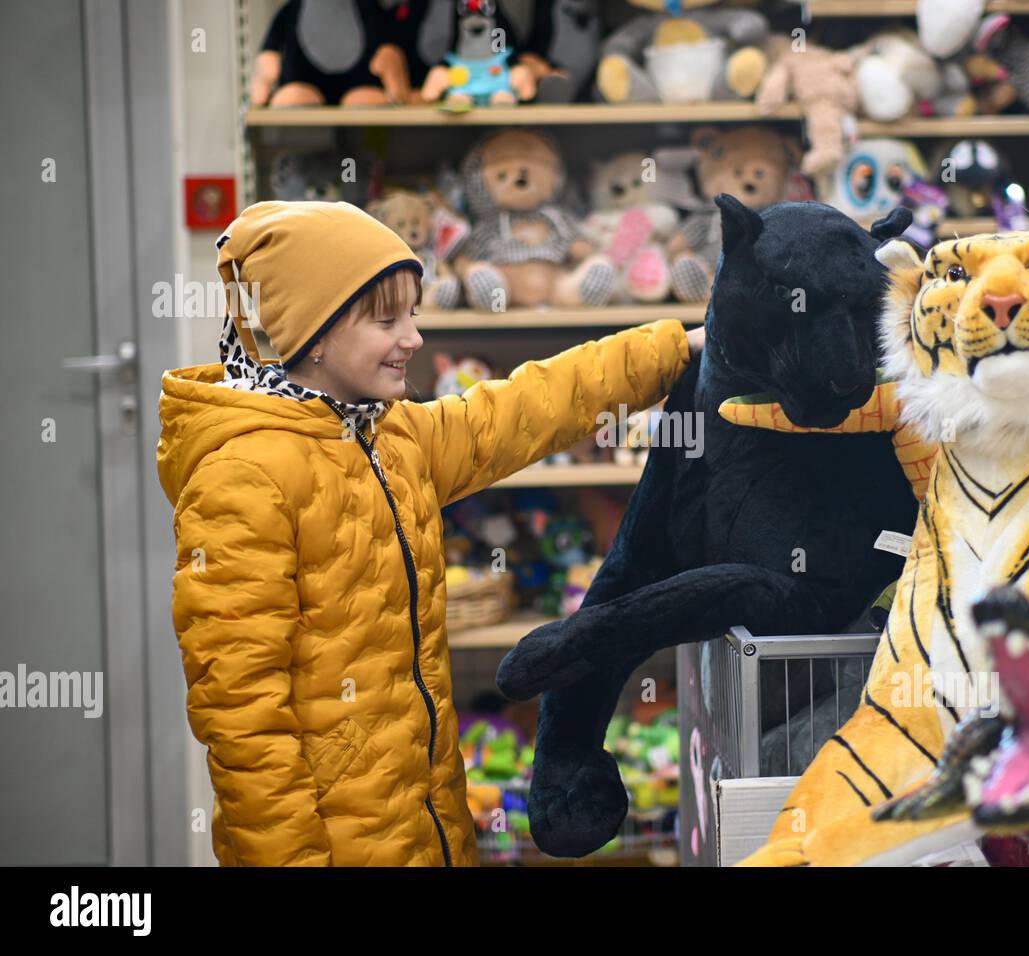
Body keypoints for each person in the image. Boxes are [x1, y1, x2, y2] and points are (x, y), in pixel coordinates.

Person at [156, 200, 702, 865]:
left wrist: (679, 348)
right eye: (387, 319)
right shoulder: (242, 478)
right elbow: (242, 720)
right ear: (315, 334)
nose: (412, 338)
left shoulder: (393, 437)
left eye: (412, 313)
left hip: (430, 824)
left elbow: (533, 405)